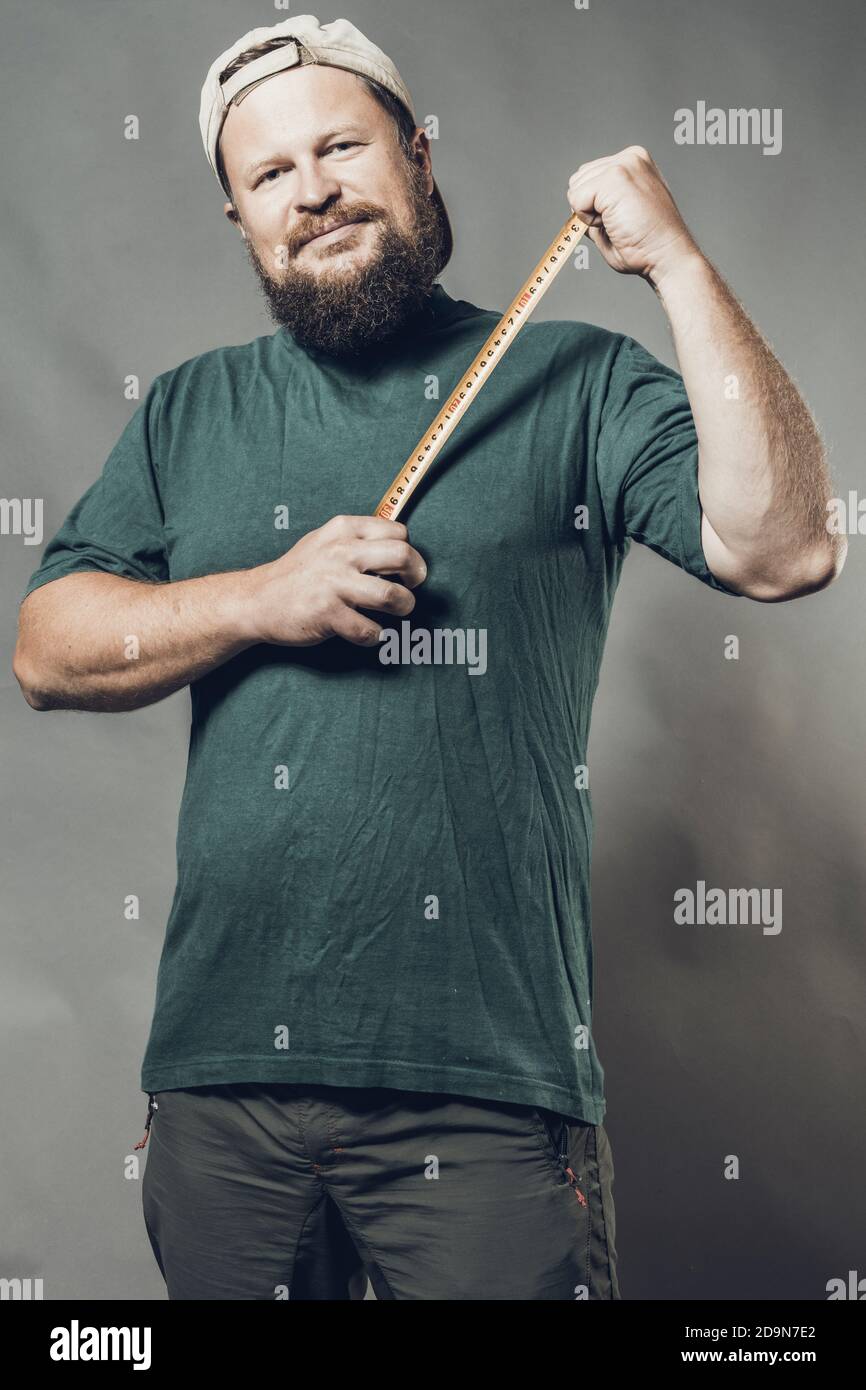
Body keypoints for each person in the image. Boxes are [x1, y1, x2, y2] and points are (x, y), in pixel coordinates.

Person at [13, 15, 845, 1300]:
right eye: (268, 175)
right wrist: (260, 598)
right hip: (223, 1097)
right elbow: (45, 648)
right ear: (239, 222)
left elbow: (783, 547)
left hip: (488, 1100)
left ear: (418, 155)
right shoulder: (189, 407)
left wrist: (676, 262)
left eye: (340, 146)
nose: (313, 191)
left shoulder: (573, 379)